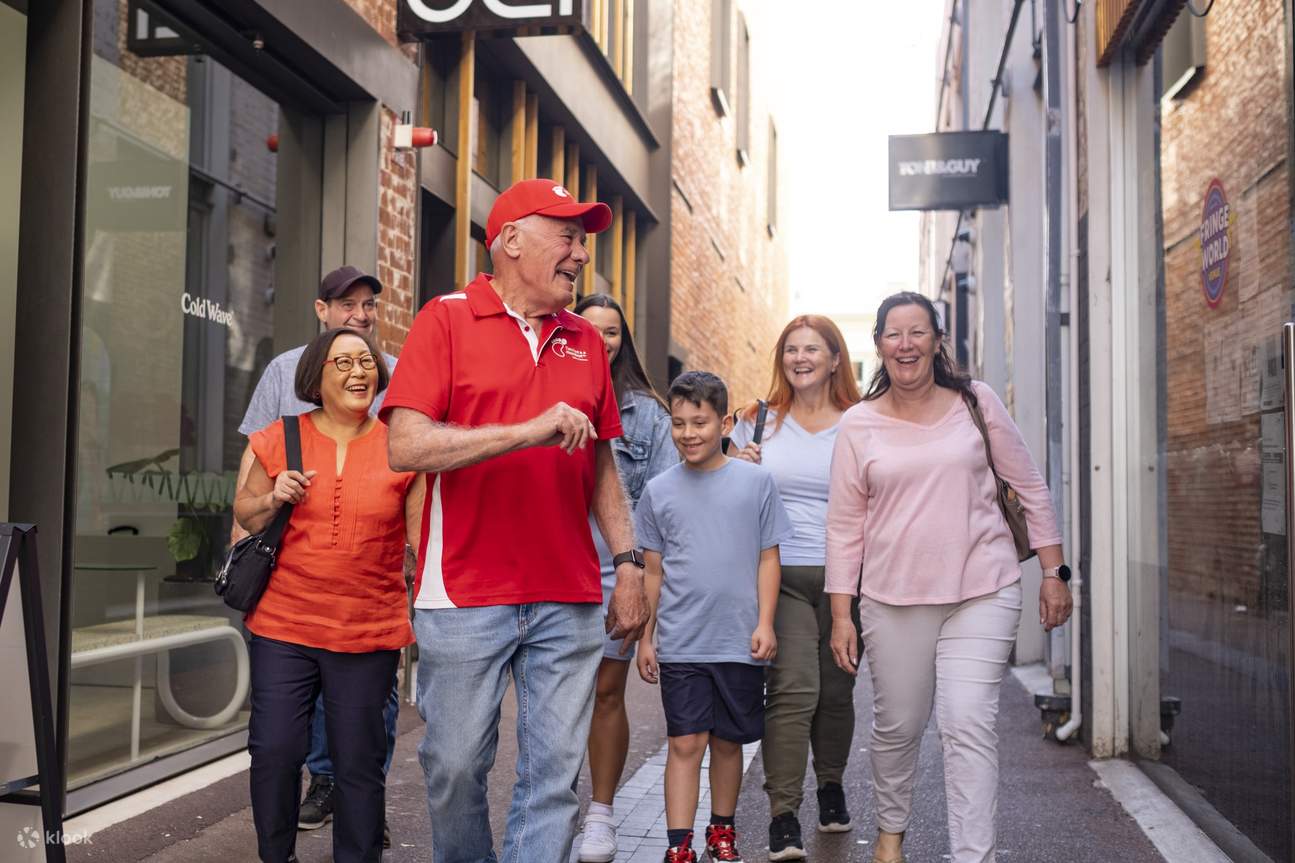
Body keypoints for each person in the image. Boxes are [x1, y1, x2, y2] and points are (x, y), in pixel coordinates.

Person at [382, 178, 649, 863]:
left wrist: (627, 563)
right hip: (465, 590)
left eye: (582, 240)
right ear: (508, 241)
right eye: (567, 236)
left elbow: (601, 468)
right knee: (453, 766)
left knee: (554, 780)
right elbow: (405, 444)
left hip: (567, 593)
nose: (580, 254)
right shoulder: (443, 319)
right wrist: (525, 430)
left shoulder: (587, 340)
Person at [825, 292, 1073, 863]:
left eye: (918, 333)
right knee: (898, 727)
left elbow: (1031, 487)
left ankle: (973, 856)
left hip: (982, 587)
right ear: (880, 346)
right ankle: (890, 835)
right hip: (892, 598)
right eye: (893, 334)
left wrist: (1054, 573)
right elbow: (843, 527)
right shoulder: (859, 425)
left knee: (967, 724)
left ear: (938, 341)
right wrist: (842, 615)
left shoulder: (976, 403)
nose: (906, 345)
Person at [234, 327, 425, 863]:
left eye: (365, 361)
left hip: (368, 630)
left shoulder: (399, 446)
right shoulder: (279, 437)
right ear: (316, 377)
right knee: (273, 750)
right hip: (283, 625)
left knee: (358, 763)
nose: (358, 371)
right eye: (342, 363)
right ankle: (277, 856)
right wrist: (274, 496)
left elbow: (422, 541)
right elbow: (244, 513)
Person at [635, 370, 794, 863]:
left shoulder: (756, 482)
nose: (688, 433)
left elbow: (769, 558)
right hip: (682, 641)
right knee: (685, 742)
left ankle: (721, 831)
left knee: (728, 743)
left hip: (739, 640)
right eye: (678, 423)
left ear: (724, 422)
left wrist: (766, 623)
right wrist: (647, 637)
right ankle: (678, 845)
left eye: (699, 422)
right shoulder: (658, 492)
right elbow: (653, 574)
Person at [729, 315, 864, 860]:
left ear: (836, 358)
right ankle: (782, 815)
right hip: (779, 574)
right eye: (791, 349)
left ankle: (829, 784)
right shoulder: (757, 421)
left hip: (847, 579)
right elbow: (708, 478)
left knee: (836, 692)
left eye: (813, 349)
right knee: (794, 693)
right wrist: (735, 465)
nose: (800, 358)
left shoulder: (862, 423)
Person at [572, 294, 678, 863]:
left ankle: (602, 815)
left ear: (623, 341)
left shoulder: (648, 414)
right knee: (557, 694)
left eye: (612, 332)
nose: (602, 340)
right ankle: (554, 802)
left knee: (607, 692)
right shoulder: (549, 388)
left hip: (618, 572)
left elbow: (658, 508)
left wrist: (646, 588)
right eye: (591, 329)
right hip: (555, 567)